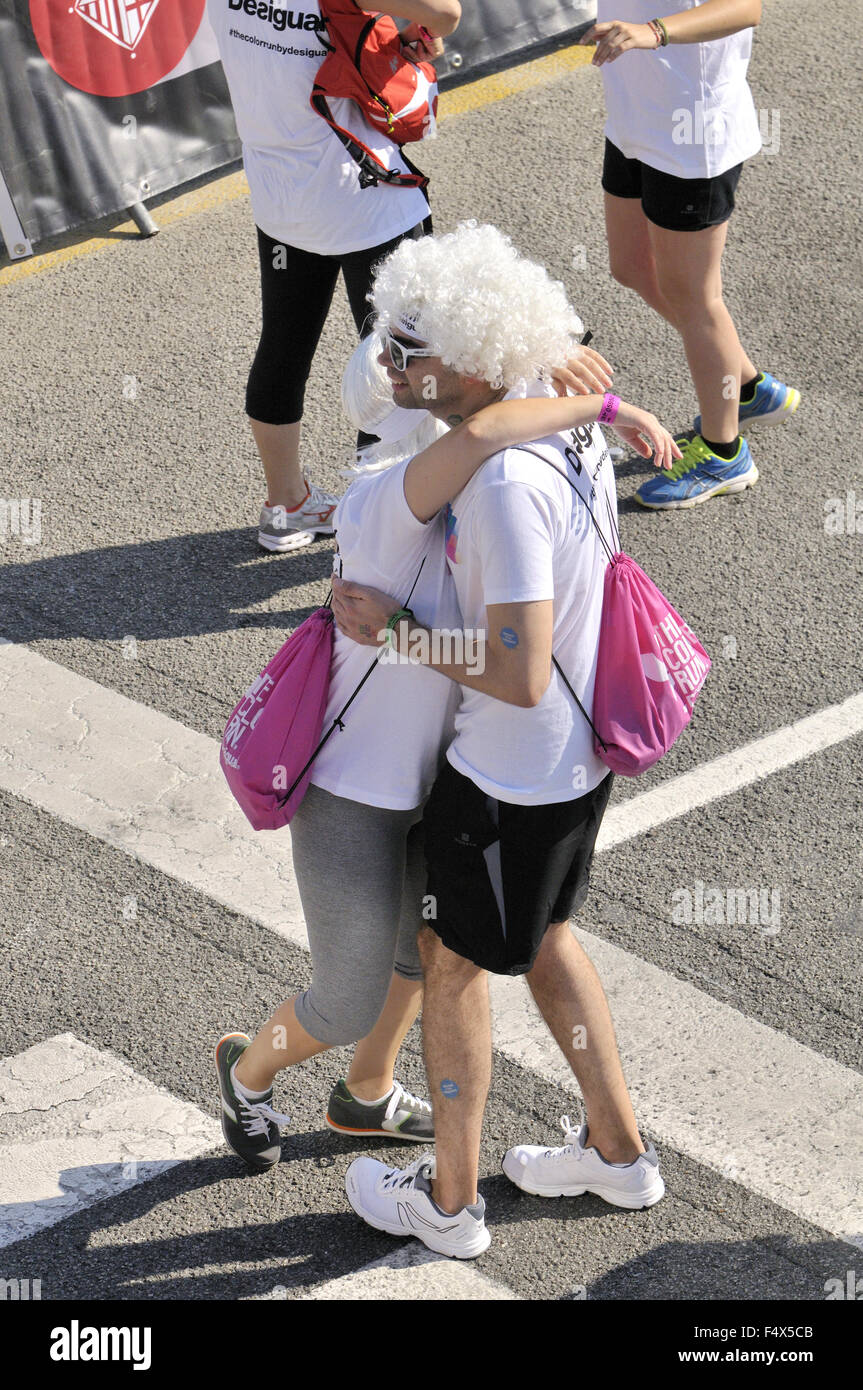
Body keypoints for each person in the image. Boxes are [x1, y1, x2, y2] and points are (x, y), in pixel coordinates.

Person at [215, 322, 653, 1171]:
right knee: (345, 996)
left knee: (424, 958)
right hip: (358, 790)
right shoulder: (387, 499)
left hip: (445, 779)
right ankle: (249, 1069)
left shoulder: (482, 481)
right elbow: (487, 423)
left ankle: (366, 1094)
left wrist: (533, 356)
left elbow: (481, 392)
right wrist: (587, 392)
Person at [329, 222, 679, 1259]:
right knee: (544, 938)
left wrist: (391, 632)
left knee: (449, 965)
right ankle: (616, 1153)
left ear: (482, 356)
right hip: (569, 764)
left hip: (507, 773)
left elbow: (518, 668)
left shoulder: (501, 483)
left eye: (411, 352)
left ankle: (446, 1203)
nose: (389, 367)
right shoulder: (545, 412)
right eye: (386, 340)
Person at [205, 0, 461, 551]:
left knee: (283, 346)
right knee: (399, 362)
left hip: (281, 200)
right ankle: (384, 525)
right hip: (368, 199)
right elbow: (446, 14)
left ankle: (285, 507)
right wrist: (413, 29)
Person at [579, 0, 800, 509]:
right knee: (631, 266)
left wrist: (652, 32)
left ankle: (725, 454)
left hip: (694, 138)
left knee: (696, 299)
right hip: (635, 119)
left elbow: (747, 8)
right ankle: (745, 385)